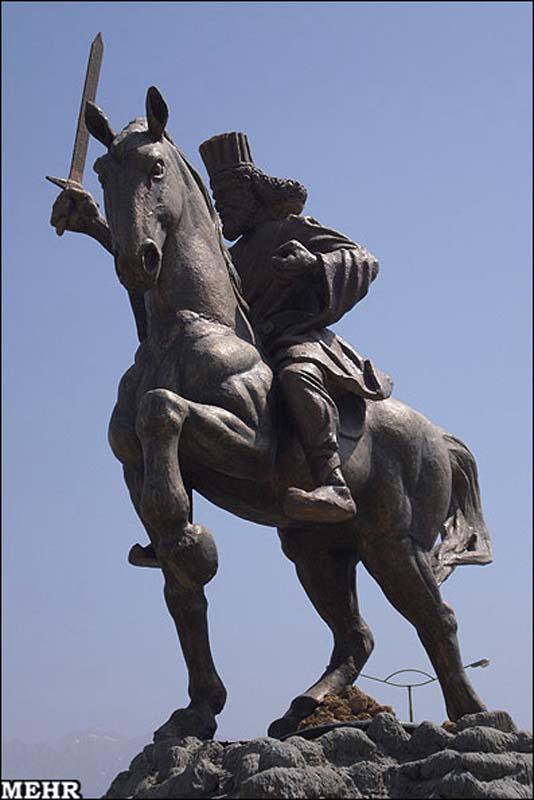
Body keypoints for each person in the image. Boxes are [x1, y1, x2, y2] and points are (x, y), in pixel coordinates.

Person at [199, 132, 393, 523]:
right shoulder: (227, 257)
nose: (220, 207)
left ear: (252, 192)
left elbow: (363, 260)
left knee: (295, 373)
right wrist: (100, 228)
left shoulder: (292, 228)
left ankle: (333, 479)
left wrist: (312, 266)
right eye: (215, 199)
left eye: (227, 198)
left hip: (297, 339)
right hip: (251, 350)